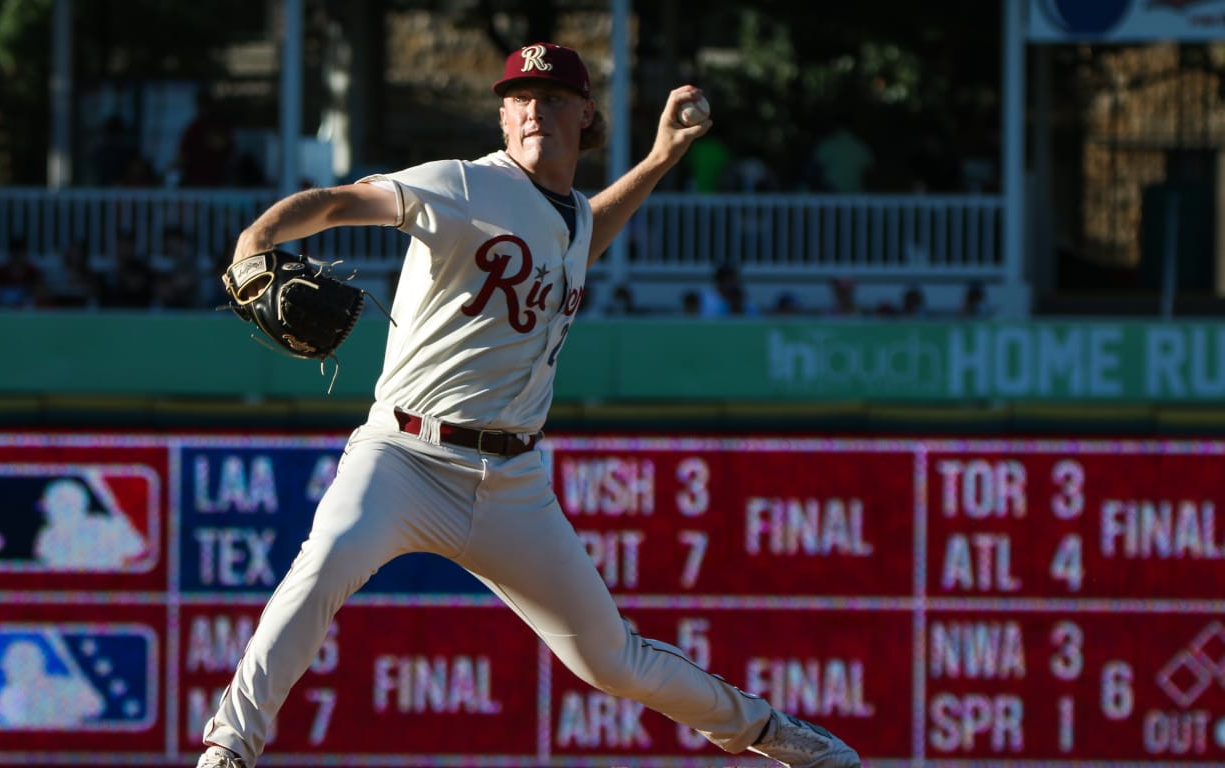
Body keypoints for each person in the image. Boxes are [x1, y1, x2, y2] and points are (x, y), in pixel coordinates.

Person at [196, 42, 861, 768]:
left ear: (584, 115)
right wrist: (259, 237)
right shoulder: (463, 185)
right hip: (404, 456)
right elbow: (342, 202)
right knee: (321, 566)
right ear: (504, 114)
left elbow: (581, 236)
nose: (534, 108)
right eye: (519, 96)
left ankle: (771, 734)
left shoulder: (569, 214)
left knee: (611, 660)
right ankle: (230, 748)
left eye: (551, 96)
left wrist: (661, 158)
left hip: (511, 484)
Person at [0, 236, 44, 308]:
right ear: (11, 253)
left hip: (25, 308)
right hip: (3, 307)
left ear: (24, 253)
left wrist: (29, 297)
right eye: (15, 252)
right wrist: (0, 295)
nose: (18, 255)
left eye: (20, 252)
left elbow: (41, 288)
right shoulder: (0, 271)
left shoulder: (32, 271)